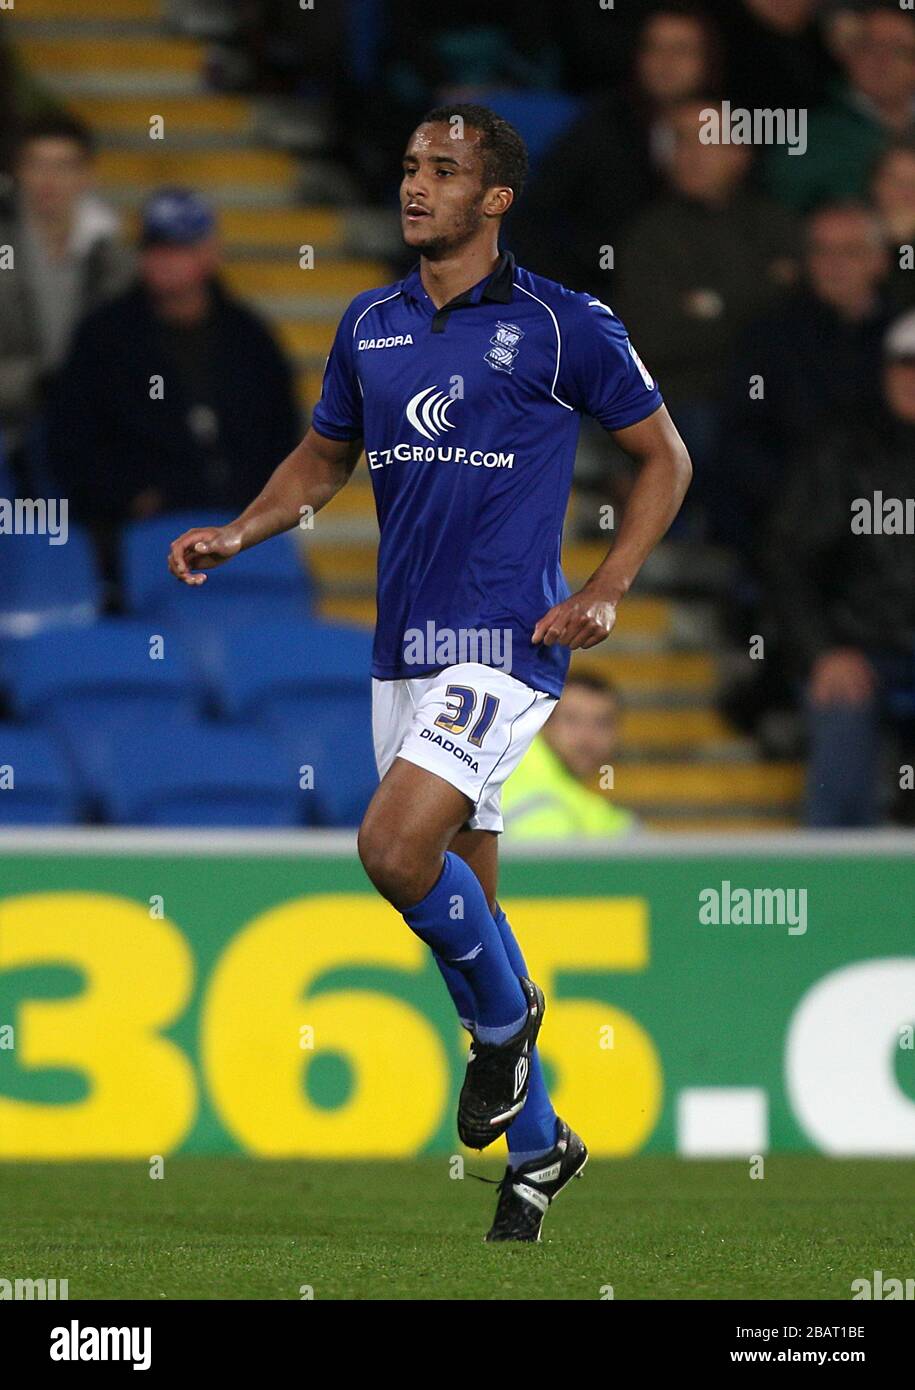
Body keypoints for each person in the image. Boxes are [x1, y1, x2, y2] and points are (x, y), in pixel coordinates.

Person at [167, 104, 691, 1242]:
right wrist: (240, 532)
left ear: (495, 199)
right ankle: (543, 1147)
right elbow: (324, 456)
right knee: (472, 918)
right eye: (409, 166)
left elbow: (665, 457)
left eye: (444, 171)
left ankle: (510, 1035)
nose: (417, 186)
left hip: (507, 643)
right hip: (400, 649)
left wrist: (606, 588)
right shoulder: (371, 323)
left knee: (391, 847)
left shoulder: (567, 324)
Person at [48, 188, 300, 577]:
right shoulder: (104, 337)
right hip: (135, 531)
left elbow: (283, 433)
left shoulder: (250, 339)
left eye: (179, 248)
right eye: (155, 248)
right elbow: (72, 439)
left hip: (240, 524)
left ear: (209, 253)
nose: (164, 261)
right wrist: (131, 499)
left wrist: (258, 507)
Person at [767, 309, 915, 827]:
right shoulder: (840, 445)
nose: (912, 377)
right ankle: (836, 892)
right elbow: (789, 560)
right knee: (844, 729)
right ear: (885, 370)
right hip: (859, 647)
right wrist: (823, 651)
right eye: (903, 363)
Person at [614, 97, 798, 492]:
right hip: (688, 397)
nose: (692, 154)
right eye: (681, 141)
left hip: (778, 389)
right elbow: (651, 340)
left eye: (708, 140)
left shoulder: (776, 223)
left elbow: (793, 315)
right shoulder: (649, 234)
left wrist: (712, 307)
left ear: (741, 153)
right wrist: (755, 297)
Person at [509, 4, 725, 295]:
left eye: (682, 50)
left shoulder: (724, 130)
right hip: (602, 294)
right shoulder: (601, 126)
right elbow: (532, 219)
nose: (666, 62)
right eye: (654, 48)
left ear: (708, 62)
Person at [0, 115, 132, 471]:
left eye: (63, 166)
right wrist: (36, 383)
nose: (49, 180)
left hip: (92, 442)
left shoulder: (116, 262)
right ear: (18, 172)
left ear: (87, 175)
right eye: (37, 165)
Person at [766, 3, 915, 212]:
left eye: (898, 50)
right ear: (846, 53)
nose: (882, 60)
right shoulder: (807, 136)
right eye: (868, 46)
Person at [501, 672, 637, 840]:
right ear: (544, 722)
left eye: (602, 723)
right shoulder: (533, 794)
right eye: (572, 720)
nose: (587, 737)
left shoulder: (570, 793)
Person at [872, 138, 915, 312]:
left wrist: (906, 242)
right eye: (895, 180)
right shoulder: (849, 234)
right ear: (875, 185)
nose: (906, 192)